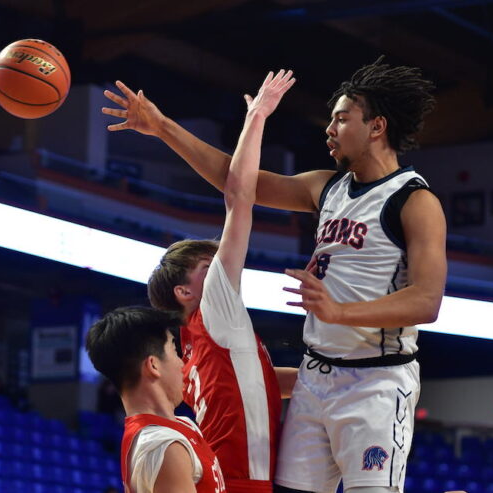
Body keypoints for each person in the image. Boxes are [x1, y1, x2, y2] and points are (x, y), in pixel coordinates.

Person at [103, 57, 445, 493]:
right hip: (316, 375)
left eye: (341, 119)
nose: (329, 129)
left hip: (376, 380)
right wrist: (163, 127)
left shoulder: (414, 200)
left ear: (376, 127)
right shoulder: (326, 186)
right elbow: (237, 182)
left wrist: (339, 312)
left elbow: (427, 301)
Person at [104, 69, 297, 493]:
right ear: (185, 292)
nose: (224, 267)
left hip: (231, 476)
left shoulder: (191, 350)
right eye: (209, 267)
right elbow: (238, 197)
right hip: (244, 480)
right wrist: (258, 115)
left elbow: (256, 382)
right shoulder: (214, 311)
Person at [85, 306, 226, 493]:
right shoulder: (163, 446)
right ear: (153, 365)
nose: (182, 363)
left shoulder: (181, 426)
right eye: (175, 351)